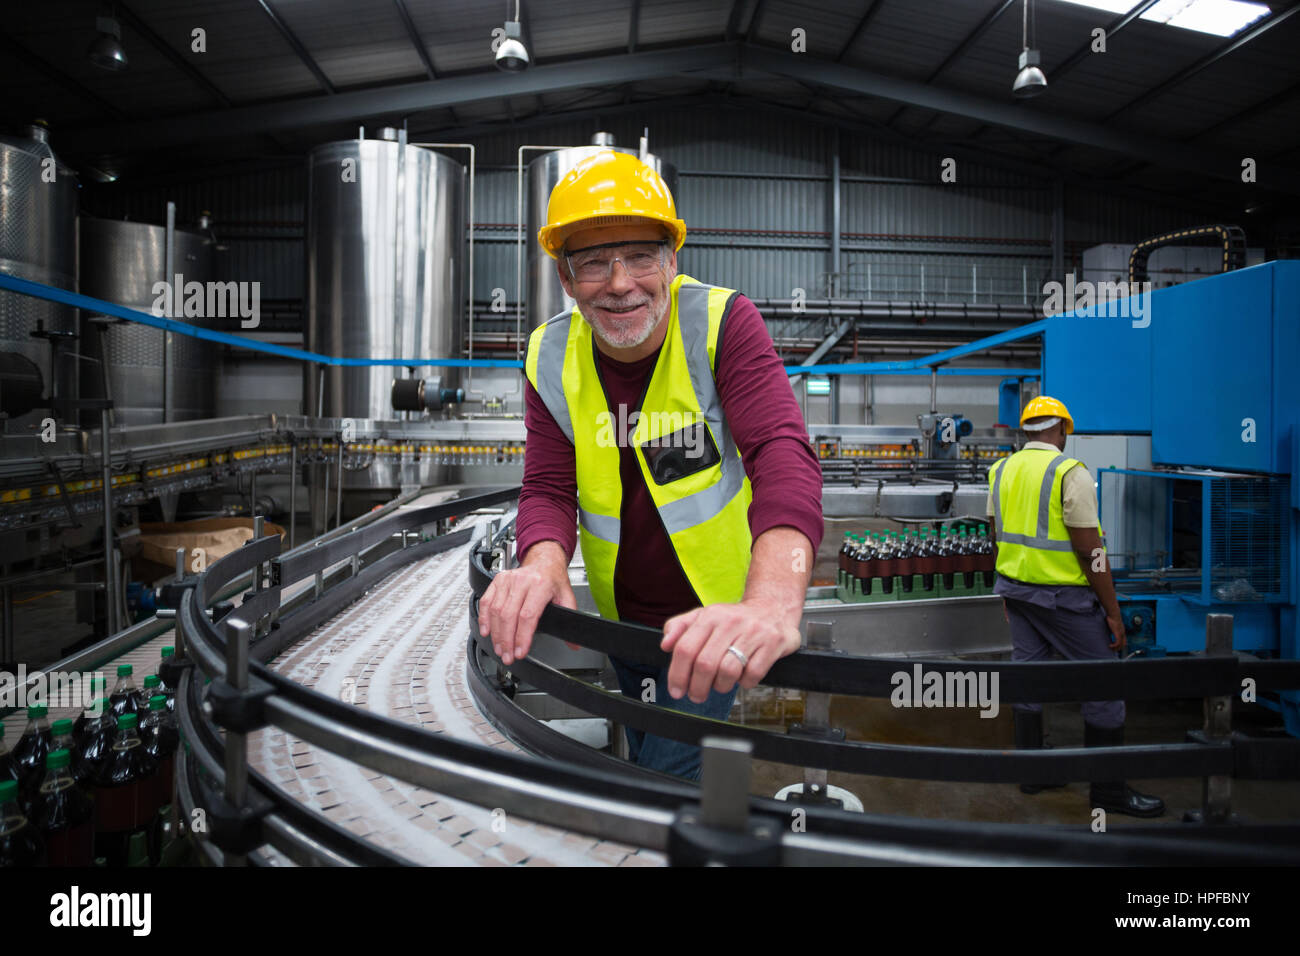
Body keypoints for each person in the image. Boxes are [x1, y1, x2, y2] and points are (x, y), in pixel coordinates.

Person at [476, 150, 823, 780]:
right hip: (623, 625)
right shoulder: (550, 356)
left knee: (663, 786)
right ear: (564, 275)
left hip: (711, 622)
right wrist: (542, 561)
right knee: (641, 763)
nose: (618, 283)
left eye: (640, 256)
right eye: (592, 262)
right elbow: (549, 486)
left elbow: (781, 453)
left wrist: (771, 602)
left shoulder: (721, 324)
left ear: (672, 259)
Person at [987, 395, 1164, 817]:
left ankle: (1033, 773)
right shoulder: (1071, 472)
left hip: (1017, 591)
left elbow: (997, 534)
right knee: (1104, 686)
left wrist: (1015, 583)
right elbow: (1091, 551)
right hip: (1065, 599)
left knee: (1027, 678)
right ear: (1063, 430)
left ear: (1027, 431)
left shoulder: (1000, 469)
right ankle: (1107, 794)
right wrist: (1114, 611)